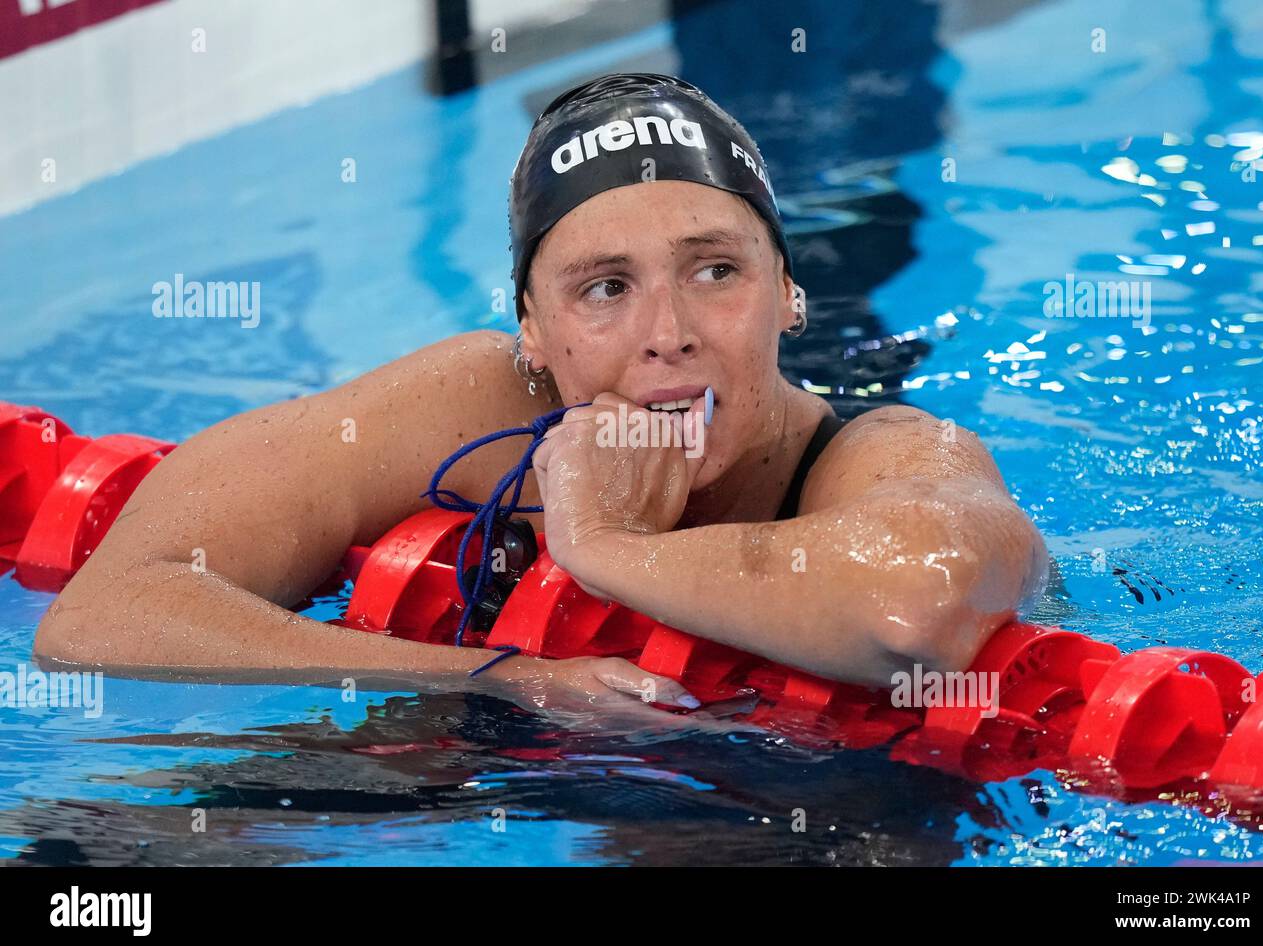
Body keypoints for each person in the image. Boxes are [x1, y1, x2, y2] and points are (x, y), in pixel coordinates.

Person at [34, 73, 1048, 725]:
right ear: (532, 326)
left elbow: (914, 604)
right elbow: (107, 610)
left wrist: (600, 543)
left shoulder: (879, 452)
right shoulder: (479, 400)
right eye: (605, 288)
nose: (668, 331)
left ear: (788, 292)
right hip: (497, 751)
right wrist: (484, 676)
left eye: (714, 271)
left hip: (833, 786)